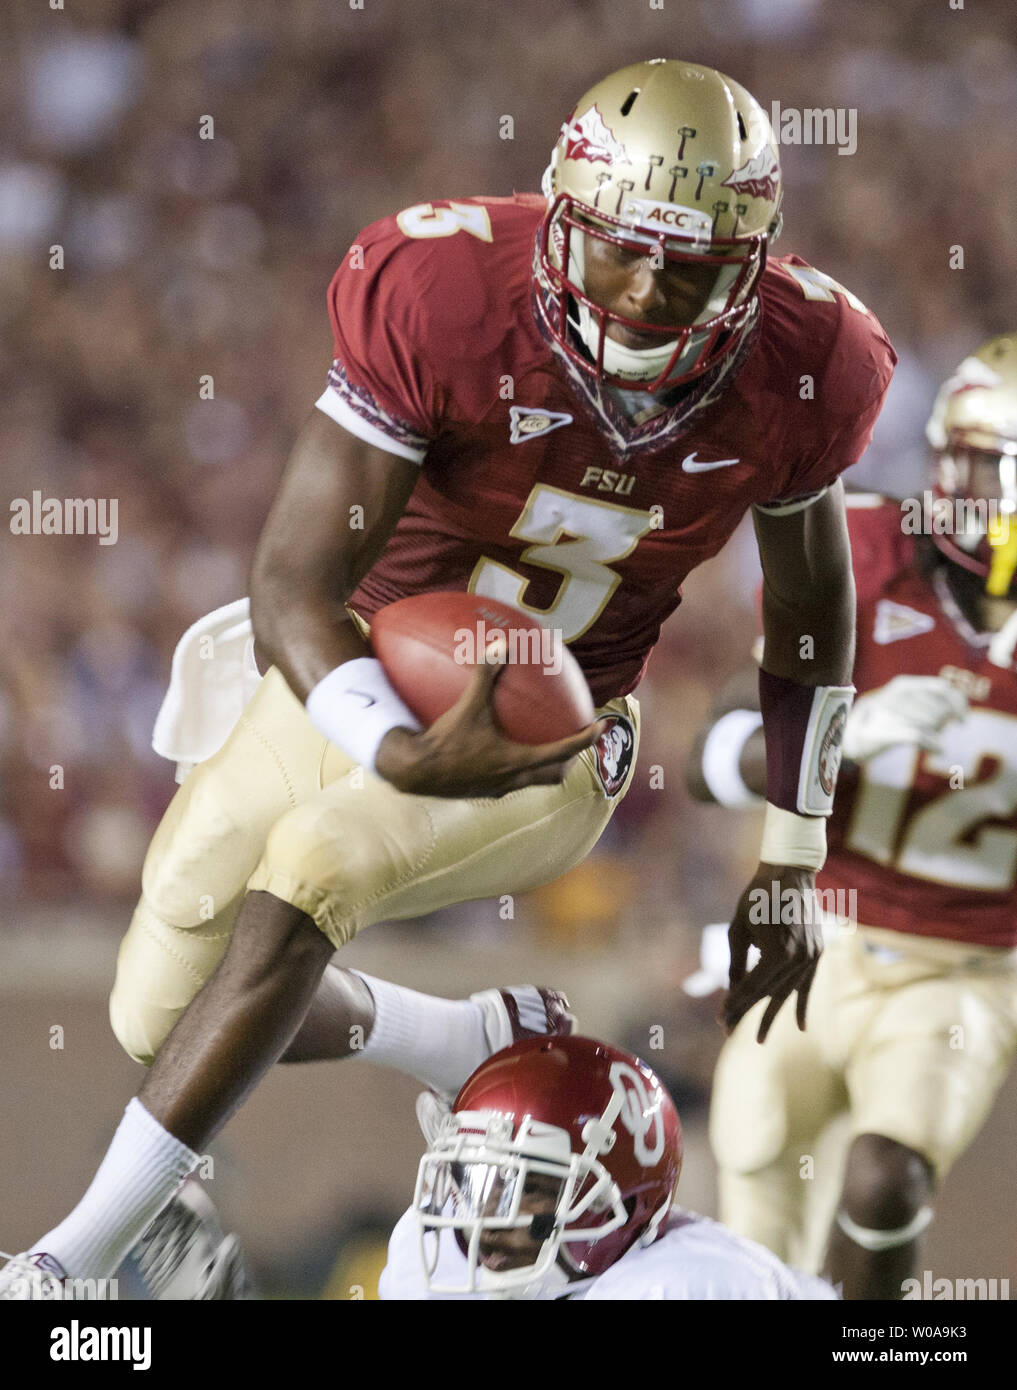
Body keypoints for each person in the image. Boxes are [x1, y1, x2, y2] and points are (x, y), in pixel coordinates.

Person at [1, 57, 894, 1294]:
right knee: (153, 1009)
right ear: (562, 221)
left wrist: (793, 860)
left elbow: (808, 611)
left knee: (313, 864)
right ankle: (463, 1035)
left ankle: (64, 1265)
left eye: (688, 267)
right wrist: (390, 741)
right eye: (621, 253)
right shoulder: (441, 286)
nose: (645, 294)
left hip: (558, 731)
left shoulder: (811, 359)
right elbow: (291, 586)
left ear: (749, 268)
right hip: (364, 668)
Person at [688, 336, 1017, 1298]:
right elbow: (711, 762)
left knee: (883, 1178)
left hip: (960, 967)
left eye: (988, 465)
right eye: (953, 455)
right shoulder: (864, 554)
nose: (955, 485)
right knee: (755, 1215)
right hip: (813, 934)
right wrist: (835, 735)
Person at [379, 1035, 837, 1300]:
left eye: (530, 1188)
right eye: (477, 1180)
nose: (488, 1220)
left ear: (625, 1203)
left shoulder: (682, 1285)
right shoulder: (435, 1250)